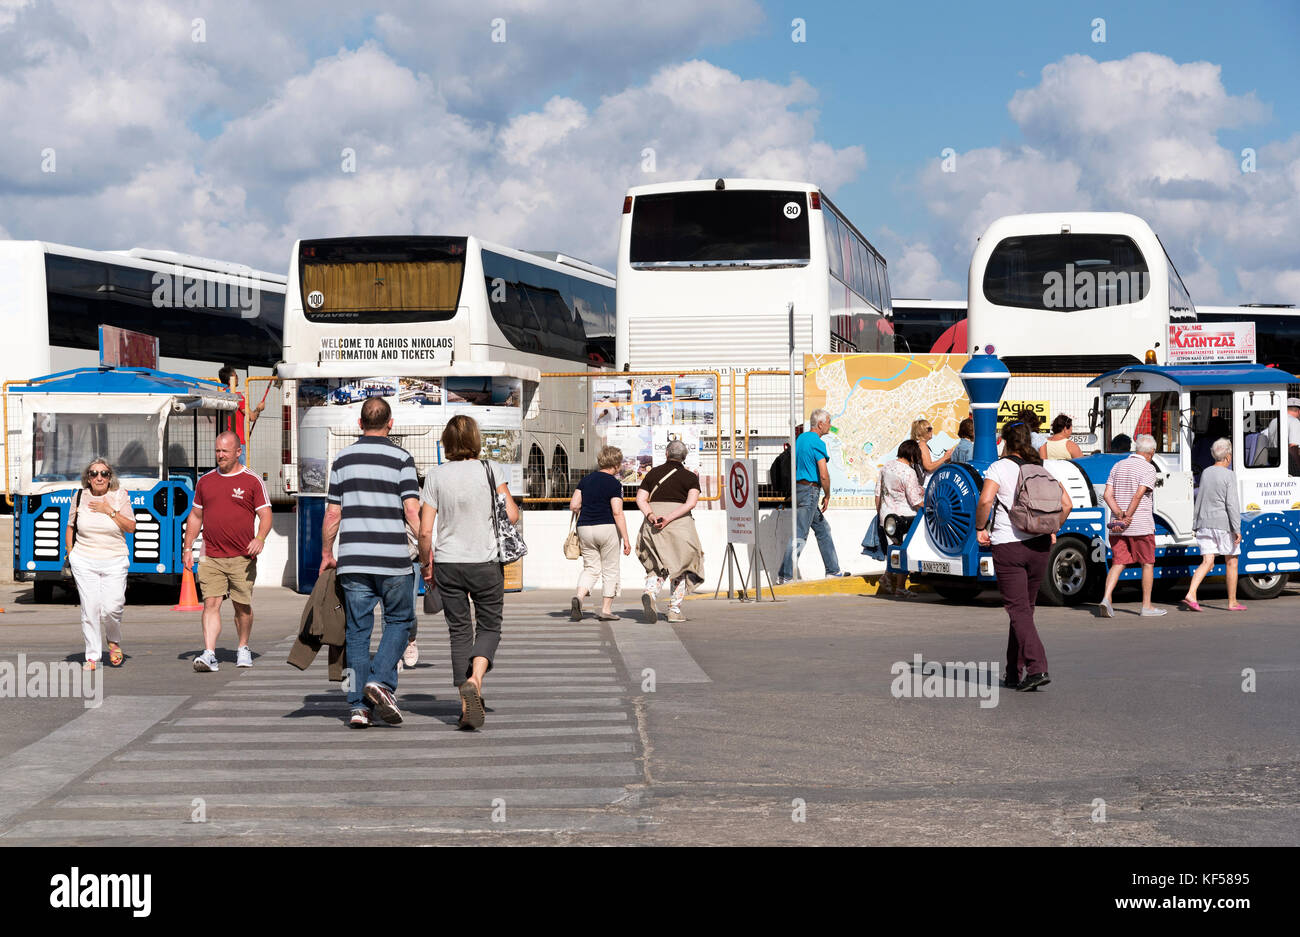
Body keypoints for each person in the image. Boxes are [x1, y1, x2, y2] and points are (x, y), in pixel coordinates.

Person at [320, 397, 421, 728]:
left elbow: (333, 513)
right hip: (393, 561)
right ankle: (380, 681)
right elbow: (411, 511)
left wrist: (326, 553)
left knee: (356, 633)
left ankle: (357, 707)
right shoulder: (402, 459)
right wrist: (426, 548)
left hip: (354, 561)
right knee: (399, 622)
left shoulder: (342, 460)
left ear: (359, 424)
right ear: (390, 423)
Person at [419, 414, 519, 731]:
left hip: (448, 564)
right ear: (476, 440)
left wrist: (426, 565)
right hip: (486, 562)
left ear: (446, 443)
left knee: (459, 631)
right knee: (490, 627)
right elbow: (512, 514)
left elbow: (424, 532)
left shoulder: (435, 477)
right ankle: (475, 681)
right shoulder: (491, 470)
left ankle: (466, 706)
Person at [975, 421, 1073, 691]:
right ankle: (1012, 672)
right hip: (1040, 546)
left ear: (1005, 442)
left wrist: (980, 528)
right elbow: (1067, 504)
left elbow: (985, 501)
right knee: (1024, 611)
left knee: (1018, 610)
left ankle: (1037, 667)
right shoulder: (1042, 467)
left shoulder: (999, 467)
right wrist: (1053, 527)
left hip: (1009, 545)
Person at [184, 431, 272, 671]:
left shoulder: (252, 480)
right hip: (210, 554)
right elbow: (195, 515)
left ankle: (243, 648)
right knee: (210, 603)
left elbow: (265, 514)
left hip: (242, 557)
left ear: (237, 452)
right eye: (217, 451)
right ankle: (209, 653)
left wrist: (260, 538)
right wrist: (188, 547)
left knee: (241, 606)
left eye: (224, 451)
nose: (220, 455)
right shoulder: (206, 481)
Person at [65, 459, 136, 670]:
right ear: (88, 477)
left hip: (114, 559)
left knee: (113, 607)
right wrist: (71, 554)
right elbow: (70, 527)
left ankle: (113, 640)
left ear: (109, 477)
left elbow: (131, 527)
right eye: (94, 473)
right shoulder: (78, 496)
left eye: (104, 474)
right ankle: (92, 656)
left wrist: (108, 510)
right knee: (90, 608)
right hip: (84, 559)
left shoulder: (119, 496)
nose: (99, 477)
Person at [636, 439, 705, 622]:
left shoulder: (653, 473)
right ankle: (674, 610)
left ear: (666, 454)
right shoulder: (691, 477)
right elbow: (691, 503)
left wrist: (651, 516)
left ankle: (650, 594)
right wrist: (670, 517)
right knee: (681, 567)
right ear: (684, 457)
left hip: (653, 525)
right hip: (680, 525)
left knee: (657, 565)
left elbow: (640, 499)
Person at [777, 409, 849, 583]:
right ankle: (785, 575)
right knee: (800, 534)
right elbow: (823, 474)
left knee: (823, 530)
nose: (830, 426)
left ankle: (833, 569)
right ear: (820, 424)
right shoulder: (817, 443)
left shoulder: (801, 439)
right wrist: (827, 494)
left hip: (799, 490)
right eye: (829, 422)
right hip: (810, 491)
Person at [1097, 434, 1165, 618]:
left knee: (1118, 563)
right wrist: (1128, 516)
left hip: (1117, 527)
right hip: (1140, 525)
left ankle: (1106, 598)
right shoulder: (1148, 468)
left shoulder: (1118, 466)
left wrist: (1119, 514)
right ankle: (1147, 606)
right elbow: (1138, 495)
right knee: (1147, 563)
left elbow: (1107, 495)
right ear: (1151, 452)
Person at [569, 446, 631, 621]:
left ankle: (579, 598)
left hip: (584, 528)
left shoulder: (586, 480)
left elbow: (574, 505)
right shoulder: (614, 484)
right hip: (607, 527)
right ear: (616, 465)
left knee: (591, 567)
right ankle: (605, 610)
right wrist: (626, 538)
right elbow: (617, 512)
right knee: (610, 569)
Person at [1183, 438, 1245, 612]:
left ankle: (1191, 593)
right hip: (1222, 524)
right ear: (1228, 456)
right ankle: (1232, 601)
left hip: (1204, 522)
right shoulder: (1229, 474)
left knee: (1207, 561)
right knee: (1231, 561)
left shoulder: (1206, 472)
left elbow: (1201, 497)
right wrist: (1236, 528)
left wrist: (1196, 522)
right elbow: (1231, 504)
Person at [875, 440, 926, 597]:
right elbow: (914, 501)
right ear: (912, 454)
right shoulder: (908, 472)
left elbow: (878, 493)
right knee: (904, 552)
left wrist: (880, 515)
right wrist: (928, 509)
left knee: (894, 551)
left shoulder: (886, 467)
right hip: (905, 518)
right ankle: (900, 587)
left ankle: (887, 577)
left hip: (886, 517)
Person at [218, 365, 265, 461]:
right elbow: (252, 417)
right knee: (239, 473)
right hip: (237, 442)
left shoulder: (219, 395)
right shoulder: (238, 396)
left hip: (222, 442)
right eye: (236, 376)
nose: (238, 378)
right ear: (230, 380)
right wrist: (258, 409)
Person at [1257, 398, 1300, 473]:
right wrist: (1298, 468)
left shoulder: (1274, 421)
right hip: (1289, 467)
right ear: (1299, 411)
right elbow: (1293, 447)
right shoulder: (1295, 422)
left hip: (1275, 464)